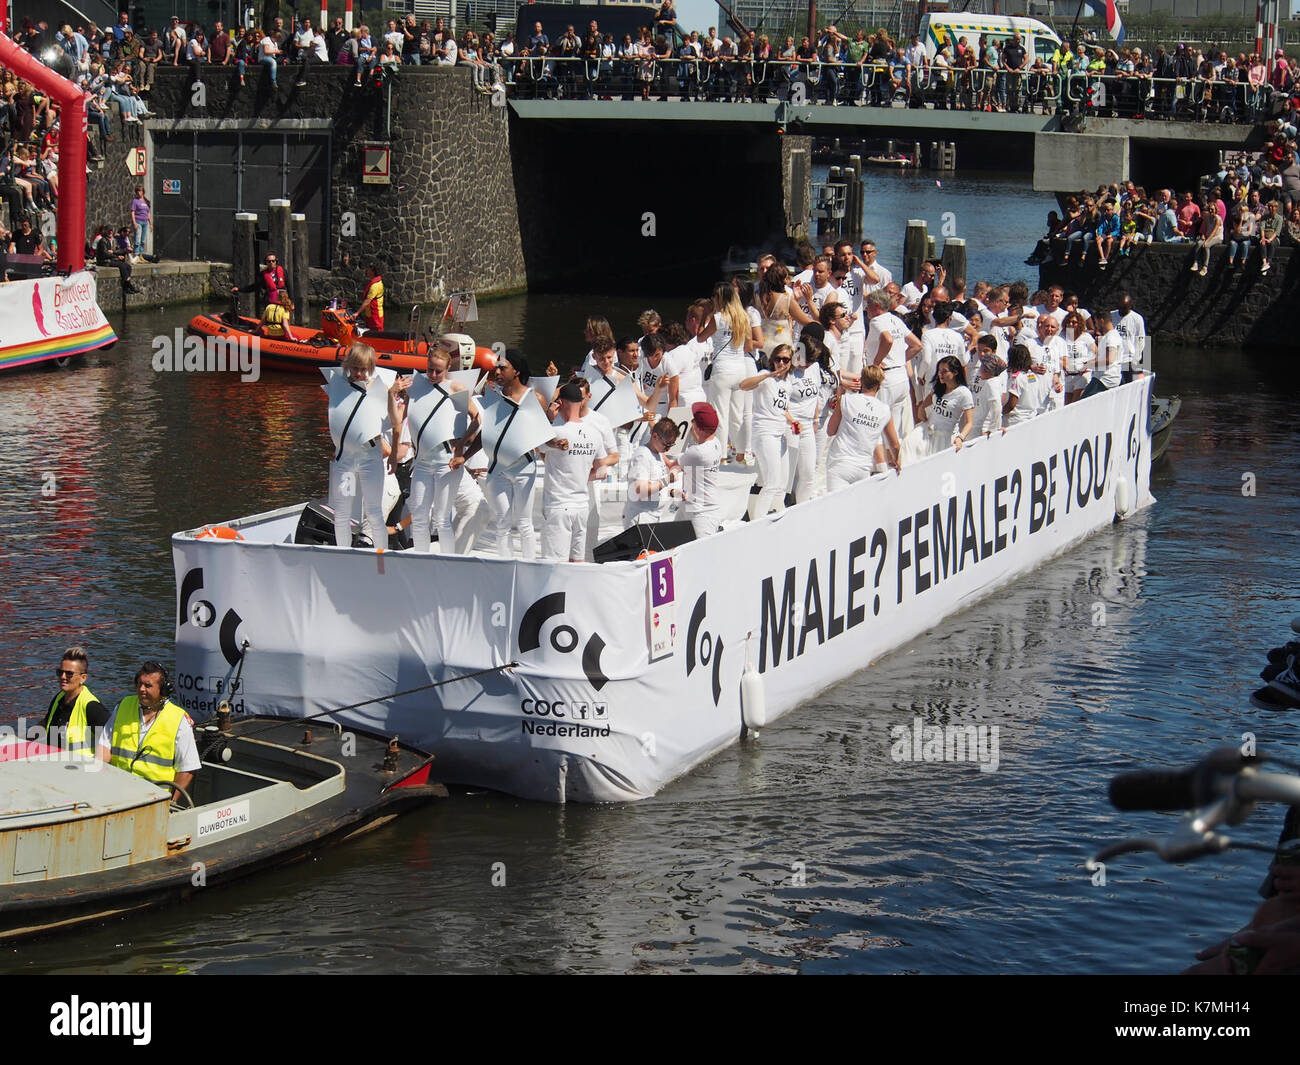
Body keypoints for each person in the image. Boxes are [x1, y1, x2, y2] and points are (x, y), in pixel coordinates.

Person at [328, 342, 403, 550]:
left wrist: (391, 394)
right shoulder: (338, 383)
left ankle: (379, 557)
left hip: (370, 457)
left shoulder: (381, 387)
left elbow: (396, 422)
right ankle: (343, 553)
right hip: (346, 459)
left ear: (370, 368)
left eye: (363, 368)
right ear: (348, 365)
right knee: (342, 511)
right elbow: (338, 418)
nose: (358, 373)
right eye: (354, 367)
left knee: (373, 510)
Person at [408, 341, 476, 553]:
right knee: (419, 514)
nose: (433, 374)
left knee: (441, 517)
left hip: (445, 460)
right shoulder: (416, 385)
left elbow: (476, 418)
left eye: (438, 371)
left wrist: (462, 443)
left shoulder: (456, 388)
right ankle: (421, 558)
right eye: (430, 369)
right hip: (422, 459)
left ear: (448, 370)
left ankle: (447, 560)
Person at [98, 662, 200, 803]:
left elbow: (188, 768)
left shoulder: (179, 720)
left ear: (163, 690)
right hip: (117, 795)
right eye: (139, 684)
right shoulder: (123, 706)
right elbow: (103, 748)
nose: (141, 689)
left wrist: (170, 803)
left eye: (148, 685)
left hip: (154, 801)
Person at [536, 381, 612, 562]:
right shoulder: (594, 433)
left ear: (560, 403)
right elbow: (602, 471)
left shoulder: (556, 431)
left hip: (558, 505)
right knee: (577, 563)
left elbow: (536, 443)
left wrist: (548, 418)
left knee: (554, 565)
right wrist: (581, 476)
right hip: (581, 506)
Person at [697, 280, 757, 461]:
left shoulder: (717, 318)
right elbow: (748, 345)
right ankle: (740, 454)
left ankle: (721, 456)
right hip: (740, 369)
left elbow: (700, 337)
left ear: (720, 298)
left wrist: (705, 315)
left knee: (720, 415)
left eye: (714, 296)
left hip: (722, 370)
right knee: (737, 415)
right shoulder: (743, 317)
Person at [739, 342, 798, 520]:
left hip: (780, 434)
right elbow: (744, 385)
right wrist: (769, 375)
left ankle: (781, 518)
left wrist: (793, 421)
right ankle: (757, 522)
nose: (781, 363)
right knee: (771, 482)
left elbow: (782, 409)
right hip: (764, 433)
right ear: (773, 360)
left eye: (785, 360)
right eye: (778, 359)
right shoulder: (765, 375)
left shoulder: (788, 383)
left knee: (781, 484)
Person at [825, 365, 899, 490]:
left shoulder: (845, 400)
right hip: (863, 468)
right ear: (879, 386)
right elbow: (895, 444)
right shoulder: (885, 410)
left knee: (836, 508)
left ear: (861, 381)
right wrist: (897, 461)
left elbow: (830, 431)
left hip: (840, 463)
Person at [44, 647, 109, 755]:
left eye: (69, 674)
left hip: (80, 768)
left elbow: (110, 739)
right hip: (54, 763)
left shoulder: (91, 706)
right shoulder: (58, 698)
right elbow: (46, 723)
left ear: (83, 678)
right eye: (60, 672)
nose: (63, 677)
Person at [678, 401, 724, 537]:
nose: (691, 423)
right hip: (693, 506)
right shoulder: (716, 443)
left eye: (694, 421)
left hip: (702, 514)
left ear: (699, 428)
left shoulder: (698, 452)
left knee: (701, 554)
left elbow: (671, 464)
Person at [624, 417, 680, 526]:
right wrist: (667, 479)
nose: (668, 449)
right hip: (641, 518)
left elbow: (656, 485)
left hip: (653, 517)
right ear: (655, 436)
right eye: (666, 444)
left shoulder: (658, 453)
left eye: (671, 445)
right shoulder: (642, 456)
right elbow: (641, 491)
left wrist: (673, 492)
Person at [358, 263, 384, 331]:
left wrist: (357, 313)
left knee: (377, 333)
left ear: (373, 271)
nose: (366, 271)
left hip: (375, 315)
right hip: (370, 315)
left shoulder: (375, 285)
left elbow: (367, 301)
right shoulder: (374, 283)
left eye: (368, 270)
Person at [129, 184, 151, 261]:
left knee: (143, 240)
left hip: (145, 222)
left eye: (140, 191)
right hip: (138, 221)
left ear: (143, 192)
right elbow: (132, 212)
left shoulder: (146, 202)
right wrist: (134, 223)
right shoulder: (135, 201)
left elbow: (148, 213)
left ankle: (140, 255)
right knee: (137, 239)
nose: (139, 192)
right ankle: (136, 254)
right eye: (137, 191)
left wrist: (150, 223)